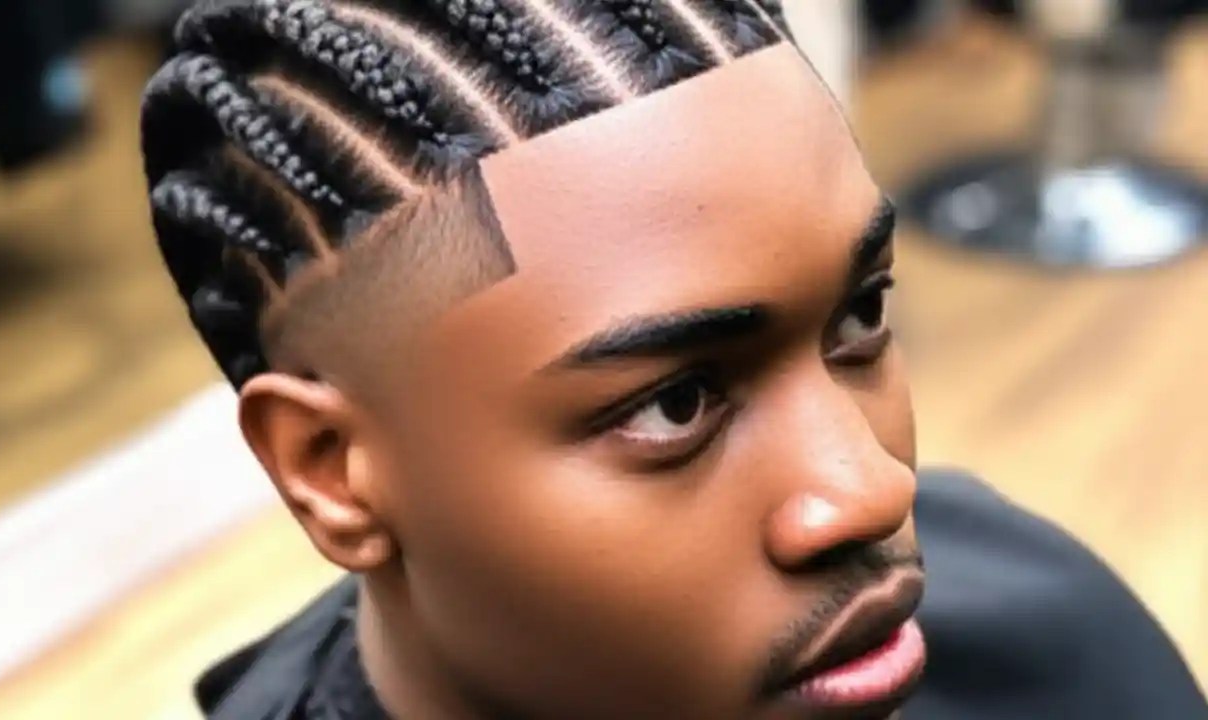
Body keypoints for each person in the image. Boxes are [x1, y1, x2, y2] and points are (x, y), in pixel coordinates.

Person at [139, 0, 1206, 717]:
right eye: (675, 403)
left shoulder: (1043, 631)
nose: (869, 490)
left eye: (858, 315)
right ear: (329, 471)